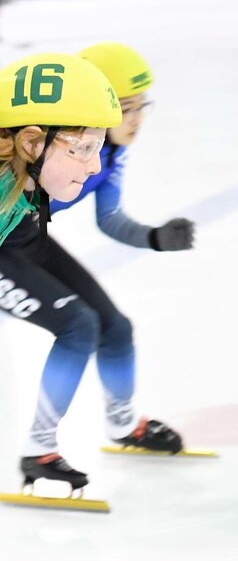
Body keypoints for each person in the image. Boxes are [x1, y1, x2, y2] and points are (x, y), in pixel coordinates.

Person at [0, 52, 125, 492]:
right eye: (84, 149)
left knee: (95, 323)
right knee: (79, 324)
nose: (94, 166)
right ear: (32, 143)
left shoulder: (20, 186)